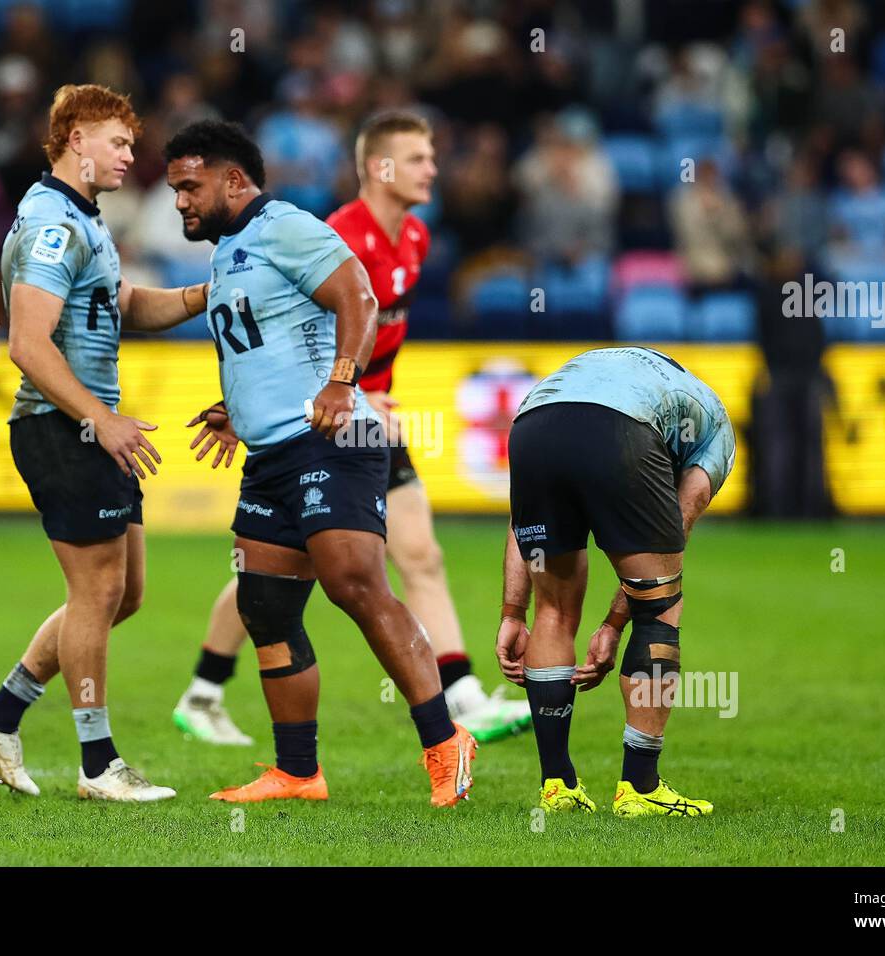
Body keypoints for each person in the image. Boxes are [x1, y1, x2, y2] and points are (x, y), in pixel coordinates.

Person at [173, 111, 531, 746]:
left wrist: (368, 396)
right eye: (418, 158)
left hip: (367, 419)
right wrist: (337, 391)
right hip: (329, 422)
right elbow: (291, 333)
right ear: (379, 167)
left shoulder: (415, 238)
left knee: (419, 554)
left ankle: (462, 694)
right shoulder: (335, 234)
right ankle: (204, 687)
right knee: (288, 569)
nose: (432, 169)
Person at [0, 84, 209, 802]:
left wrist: (200, 296)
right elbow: (27, 346)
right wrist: (101, 418)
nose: (133, 155)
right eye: (119, 142)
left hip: (87, 427)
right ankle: (99, 764)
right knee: (96, 589)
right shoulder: (53, 225)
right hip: (62, 426)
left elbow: (125, 306)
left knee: (121, 593)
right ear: (75, 141)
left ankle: (1, 716)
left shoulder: (82, 219)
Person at [496, 346, 735, 816]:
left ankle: (557, 787)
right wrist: (614, 625)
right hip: (620, 431)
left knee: (554, 609)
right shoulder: (715, 433)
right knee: (660, 607)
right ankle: (641, 788)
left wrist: (512, 612)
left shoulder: (590, 376)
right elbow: (677, 529)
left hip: (532, 425)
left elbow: (517, 520)